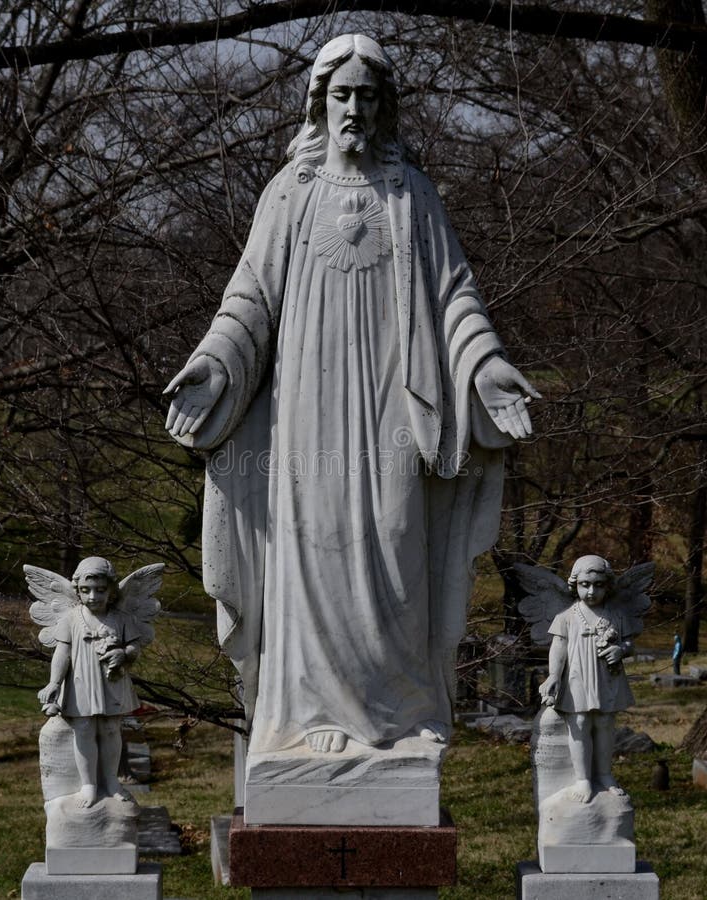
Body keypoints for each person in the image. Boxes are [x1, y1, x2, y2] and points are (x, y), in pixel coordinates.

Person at [165, 34, 538, 756]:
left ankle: (397, 716)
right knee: (315, 549)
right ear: (319, 102)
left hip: (393, 412)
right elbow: (249, 302)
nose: (355, 110)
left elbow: (455, 297)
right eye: (342, 95)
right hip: (307, 415)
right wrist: (213, 364)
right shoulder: (290, 194)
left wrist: (485, 364)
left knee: (398, 542)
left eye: (368, 96)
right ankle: (311, 716)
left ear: (384, 106)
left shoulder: (412, 198)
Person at [37, 557, 141, 807]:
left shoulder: (121, 618)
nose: (93, 596)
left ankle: (112, 782)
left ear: (111, 590)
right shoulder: (71, 618)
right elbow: (62, 653)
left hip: (112, 682)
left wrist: (124, 654)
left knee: (110, 730)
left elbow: (135, 646)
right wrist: (54, 683)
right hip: (80, 683)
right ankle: (89, 785)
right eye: (86, 590)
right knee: (83, 731)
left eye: (100, 590)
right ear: (77, 591)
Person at [540, 555, 635, 803]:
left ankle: (604, 775)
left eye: (598, 585)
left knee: (604, 722)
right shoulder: (567, 616)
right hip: (577, 677)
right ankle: (582, 778)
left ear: (607, 585)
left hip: (606, 678)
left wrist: (621, 649)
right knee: (580, 723)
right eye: (585, 584)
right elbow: (558, 647)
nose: (591, 591)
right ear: (575, 584)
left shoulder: (615, 615)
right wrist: (553, 676)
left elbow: (629, 643)